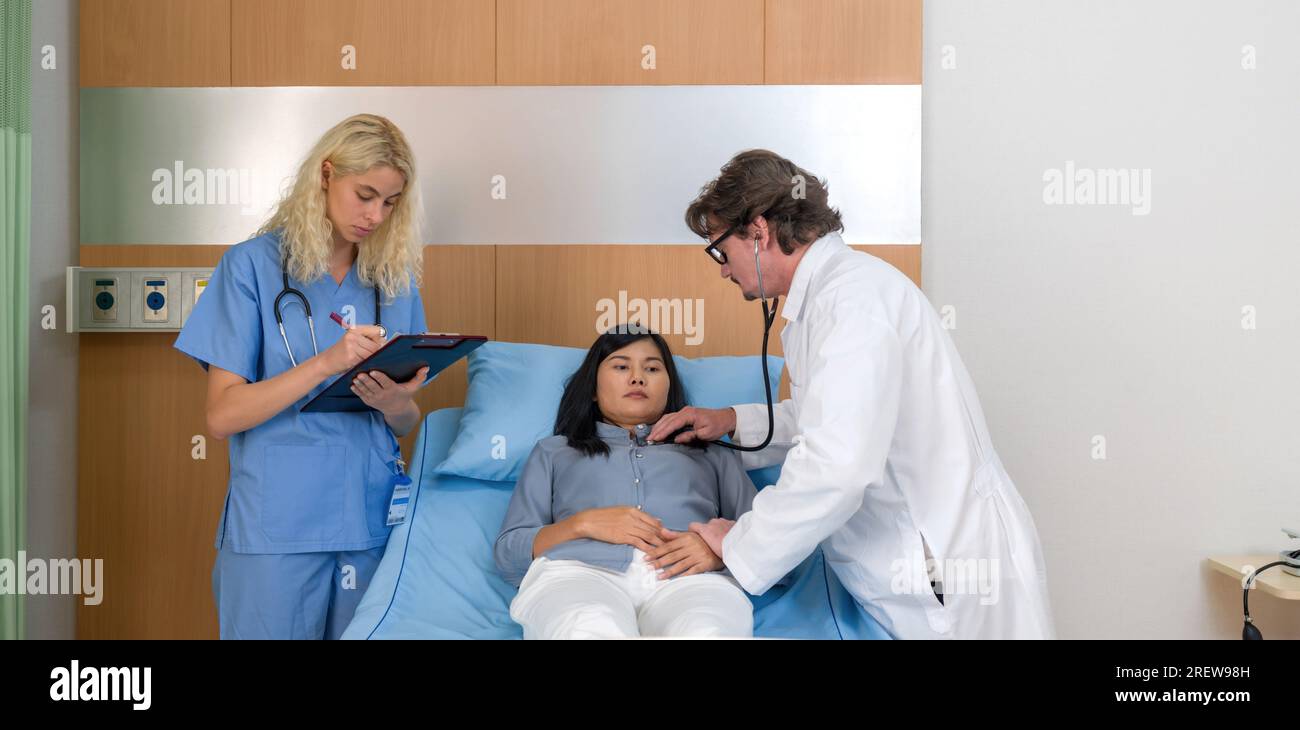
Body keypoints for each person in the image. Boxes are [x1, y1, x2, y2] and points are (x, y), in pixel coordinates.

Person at [649, 149, 1056, 639]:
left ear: (758, 232)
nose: (722, 269)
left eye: (720, 249)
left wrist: (738, 544)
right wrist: (733, 421)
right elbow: (832, 420)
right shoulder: (832, 298)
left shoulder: (853, 302)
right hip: (923, 563)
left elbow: (837, 464)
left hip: (938, 564)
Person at [174, 114, 429, 639]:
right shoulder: (251, 267)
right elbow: (222, 416)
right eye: (365, 194)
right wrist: (327, 363)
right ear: (326, 174)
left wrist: (393, 402)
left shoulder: (392, 280)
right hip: (278, 525)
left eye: (390, 202)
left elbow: (404, 421)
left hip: (368, 520)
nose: (375, 215)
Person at [495, 328, 757, 639]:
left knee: (706, 631)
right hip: (579, 575)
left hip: (691, 579)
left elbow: (775, 544)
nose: (637, 378)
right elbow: (509, 554)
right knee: (587, 628)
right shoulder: (554, 451)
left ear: (669, 387)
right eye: (621, 366)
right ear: (593, 388)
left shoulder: (712, 453)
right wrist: (582, 524)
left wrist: (718, 552)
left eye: (652, 368)